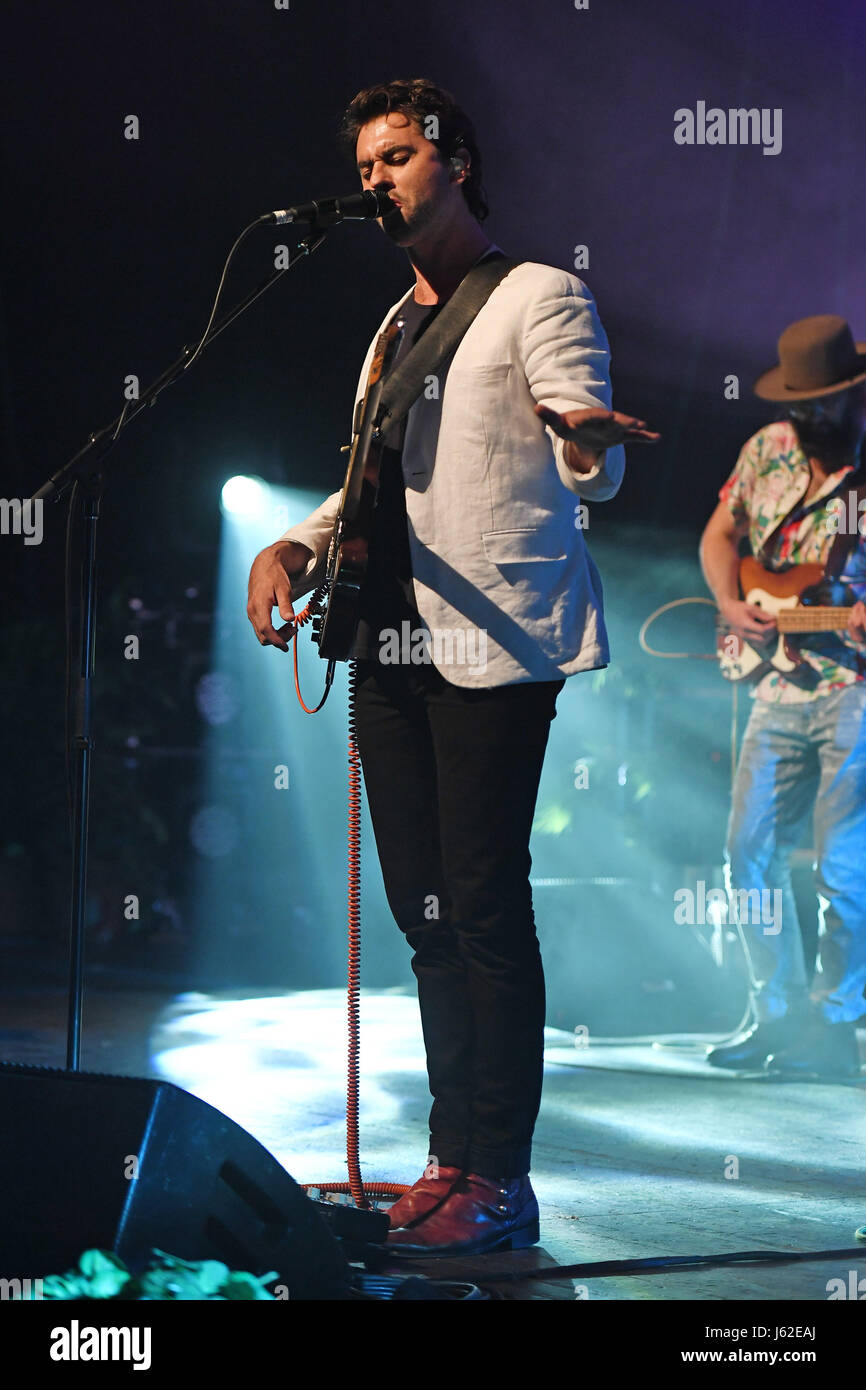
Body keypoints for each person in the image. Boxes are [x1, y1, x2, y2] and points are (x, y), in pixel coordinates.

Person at [247, 78, 657, 1255]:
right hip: (384, 635)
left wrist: (582, 444)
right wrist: (296, 542)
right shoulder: (388, 327)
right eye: (364, 162)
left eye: (395, 155)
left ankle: (502, 1178)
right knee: (424, 916)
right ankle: (446, 1160)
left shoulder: (540, 294)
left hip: (495, 641)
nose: (373, 177)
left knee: (481, 908)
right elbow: (371, 479)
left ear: (455, 159)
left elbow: (597, 471)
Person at [700, 314, 866, 1078]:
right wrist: (731, 603)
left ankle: (834, 1021)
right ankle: (772, 1010)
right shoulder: (766, 448)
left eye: (822, 403)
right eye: (800, 402)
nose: (808, 417)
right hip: (773, 681)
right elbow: (718, 535)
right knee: (747, 855)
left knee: (844, 865)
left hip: (851, 687)